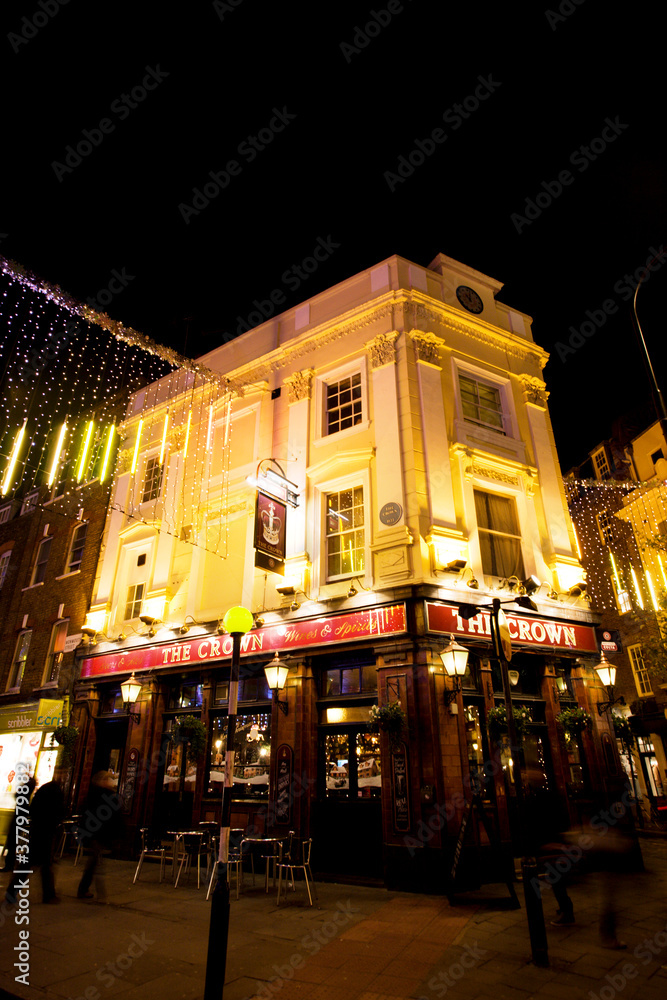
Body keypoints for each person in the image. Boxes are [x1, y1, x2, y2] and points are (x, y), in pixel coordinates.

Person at [76, 771, 124, 901]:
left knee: (95, 861)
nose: (111, 782)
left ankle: (90, 889)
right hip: (98, 834)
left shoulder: (92, 795)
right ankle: (88, 890)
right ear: (103, 781)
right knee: (94, 862)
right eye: (108, 779)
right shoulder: (105, 796)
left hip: (94, 833)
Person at [29, 780, 65, 903]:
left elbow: (33, 808)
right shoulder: (54, 791)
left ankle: (11, 891)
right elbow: (59, 811)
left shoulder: (44, 790)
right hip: (46, 831)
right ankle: (49, 895)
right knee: (45, 864)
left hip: (38, 830)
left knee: (32, 862)